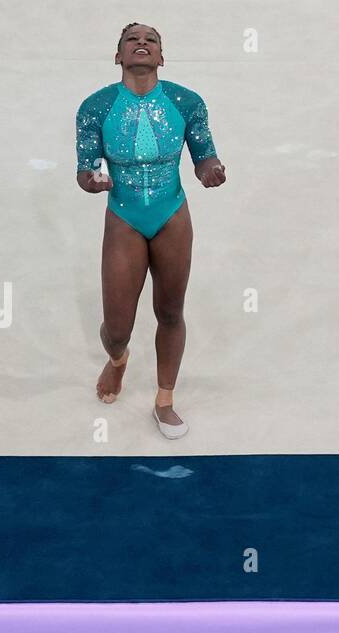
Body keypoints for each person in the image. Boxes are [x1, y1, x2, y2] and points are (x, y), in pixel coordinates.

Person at [75, 22, 226, 438]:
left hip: (171, 213)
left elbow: (204, 153)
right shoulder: (95, 107)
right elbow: (85, 168)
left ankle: (164, 400)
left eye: (151, 40)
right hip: (124, 215)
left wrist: (209, 169)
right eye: (132, 40)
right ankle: (119, 359)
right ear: (118, 55)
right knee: (117, 327)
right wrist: (92, 181)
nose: (142, 43)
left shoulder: (187, 101)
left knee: (171, 311)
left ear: (161, 57)